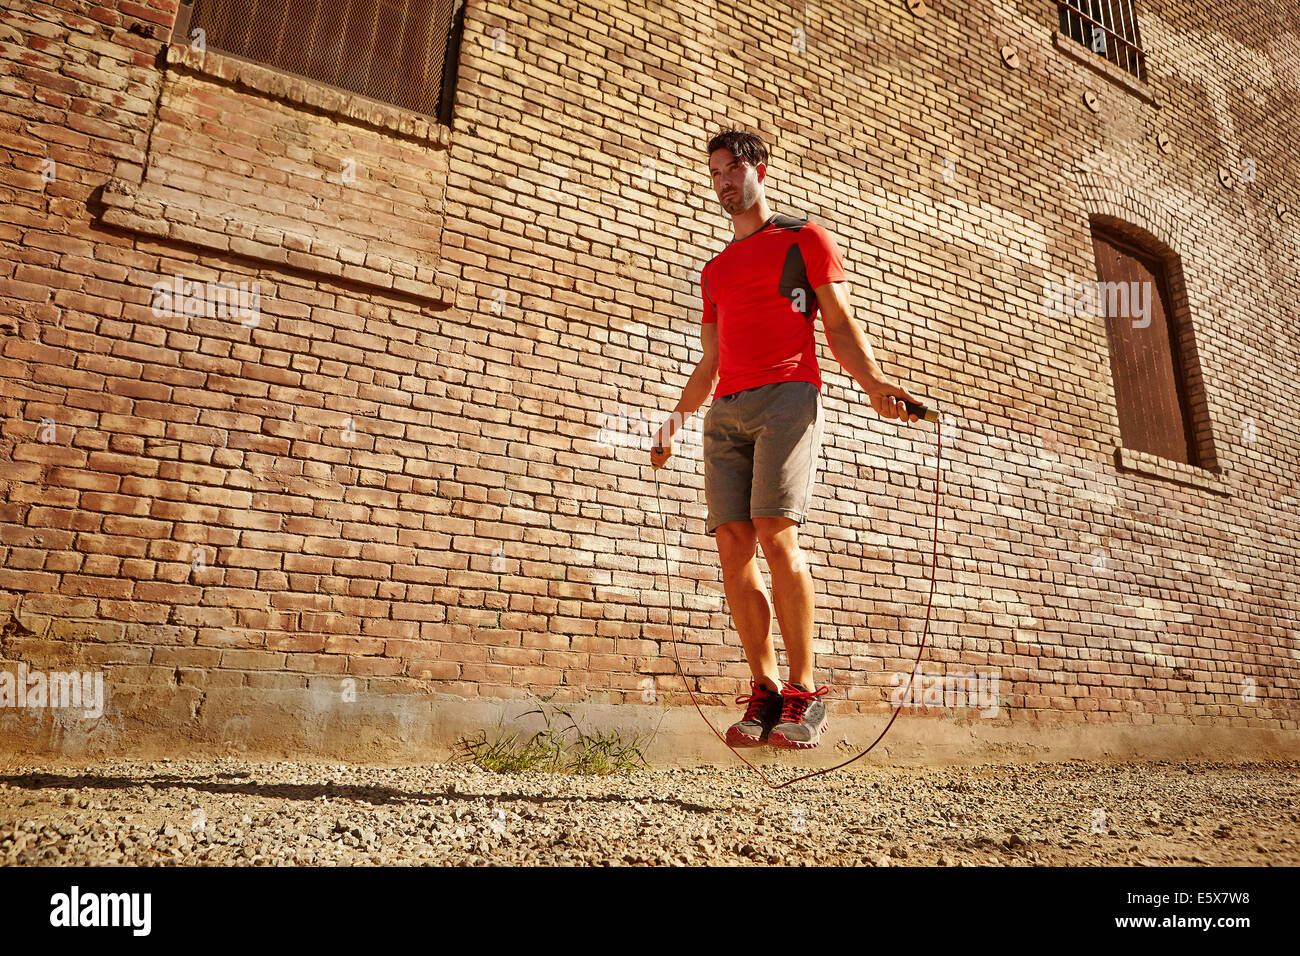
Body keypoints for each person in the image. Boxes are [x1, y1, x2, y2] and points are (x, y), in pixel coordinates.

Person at [651, 129, 924, 750]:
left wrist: (876, 382)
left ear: (760, 171)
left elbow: (840, 325)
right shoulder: (714, 270)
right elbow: (710, 363)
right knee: (731, 544)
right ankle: (765, 690)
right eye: (713, 172)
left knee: (776, 531)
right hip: (726, 410)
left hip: (787, 397)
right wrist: (673, 422)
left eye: (731, 169)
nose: (721, 181)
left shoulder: (805, 239)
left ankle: (805, 689)